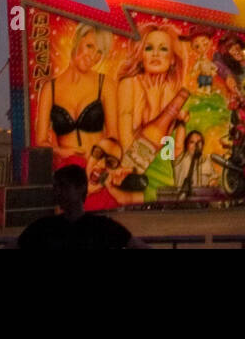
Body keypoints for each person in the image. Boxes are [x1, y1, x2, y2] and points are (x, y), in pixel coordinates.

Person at [115, 23, 189, 198]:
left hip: (162, 171)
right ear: (141, 55)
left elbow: (164, 144)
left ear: (173, 59)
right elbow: (128, 142)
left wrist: (155, 104)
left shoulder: (173, 92)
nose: (155, 54)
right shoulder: (128, 85)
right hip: (133, 170)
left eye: (163, 49)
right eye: (149, 48)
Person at [34, 24, 119, 168]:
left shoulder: (105, 84)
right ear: (77, 40)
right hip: (65, 170)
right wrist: (60, 152)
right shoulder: (49, 89)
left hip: (97, 169)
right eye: (89, 46)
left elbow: (113, 136)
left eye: (99, 52)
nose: (93, 56)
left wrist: (98, 161)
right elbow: (40, 141)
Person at [16, 165, 140, 249]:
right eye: (56, 187)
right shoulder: (103, 226)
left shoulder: (44, 227)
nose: (57, 192)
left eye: (63, 186)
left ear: (80, 188)